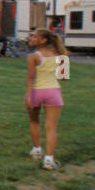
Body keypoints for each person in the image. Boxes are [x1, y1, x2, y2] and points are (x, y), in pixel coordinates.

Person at [24, 28, 67, 171]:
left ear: (43, 40)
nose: (32, 38)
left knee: (34, 122)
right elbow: (63, 76)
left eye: (35, 36)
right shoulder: (59, 54)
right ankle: (49, 159)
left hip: (36, 92)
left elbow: (30, 78)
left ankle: (36, 150)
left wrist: (28, 96)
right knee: (51, 127)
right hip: (53, 91)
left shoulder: (33, 57)